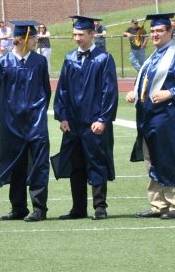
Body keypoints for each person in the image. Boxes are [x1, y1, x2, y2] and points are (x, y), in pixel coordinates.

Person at [126, 12, 175, 220]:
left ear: (170, 31)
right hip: (149, 118)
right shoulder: (152, 57)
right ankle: (158, 205)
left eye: (160, 30)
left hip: (169, 118)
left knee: (171, 158)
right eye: (152, 31)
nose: (155, 34)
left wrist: (169, 93)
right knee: (152, 160)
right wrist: (135, 92)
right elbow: (146, 83)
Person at [51, 16, 118, 221]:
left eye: (81, 34)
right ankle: (78, 208)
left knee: (96, 163)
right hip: (73, 123)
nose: (77, 38)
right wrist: (62, 116)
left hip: (93, 123)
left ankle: (100, 207)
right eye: (75, 35)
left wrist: (103, 119)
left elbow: (110, 91)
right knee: (76, 166)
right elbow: (62, 89)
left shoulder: (103, 59)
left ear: (92, 34)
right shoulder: (70, 58)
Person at [0, 20, 52, 222]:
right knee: (15, 164)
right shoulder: (2, 63)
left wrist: (39, 113)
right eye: (33, 37)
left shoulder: (39, 62)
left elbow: (46, 90)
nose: (35, 40)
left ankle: (39, 208)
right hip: (11, 123)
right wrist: (0, 120)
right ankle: (18, 207)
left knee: (39, 164)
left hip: (35, 122)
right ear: (23, 39)